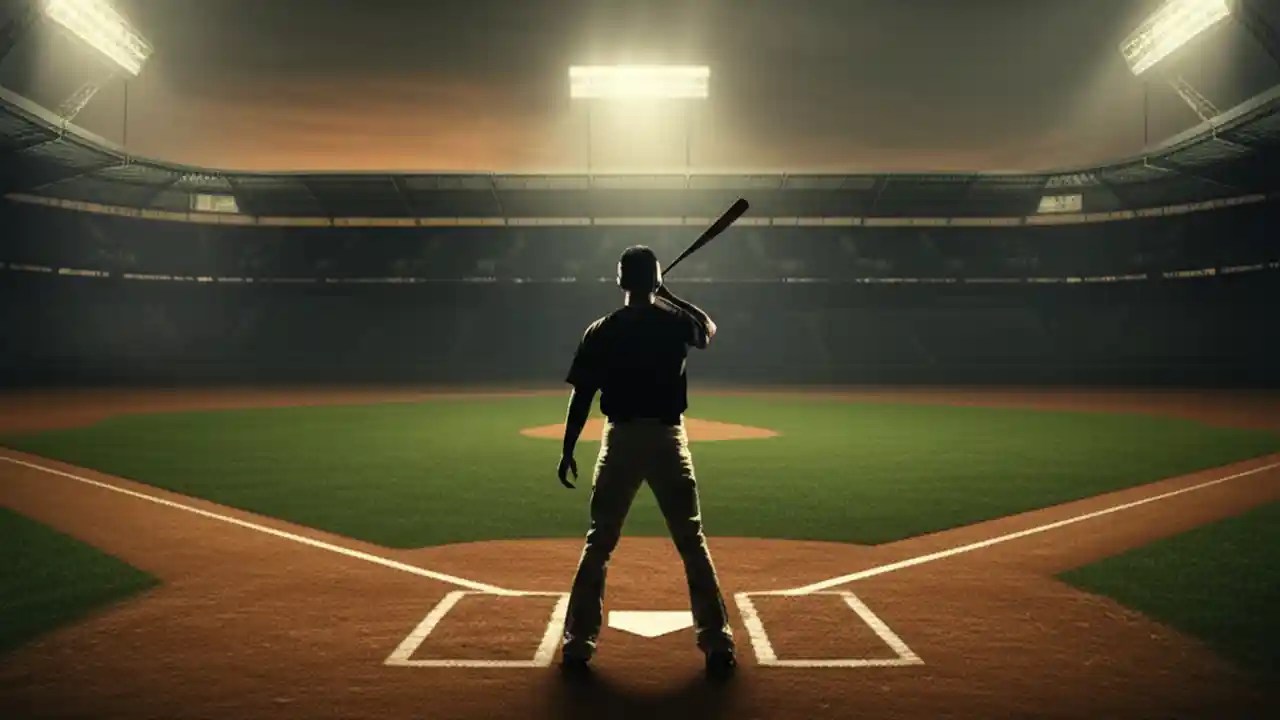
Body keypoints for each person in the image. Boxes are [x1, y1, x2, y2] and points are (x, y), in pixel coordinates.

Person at [556, 245, 736, 681]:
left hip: (619, 440)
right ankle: (717, 642)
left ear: (620, 281)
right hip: (668, 439)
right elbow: (708, 329)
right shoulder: (673, 324)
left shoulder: (601, 329)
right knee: (691, 541)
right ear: (655, 280)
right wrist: (670, 295)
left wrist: (567, 449)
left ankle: (578, 646)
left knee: (599, 543)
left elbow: (581, 395)